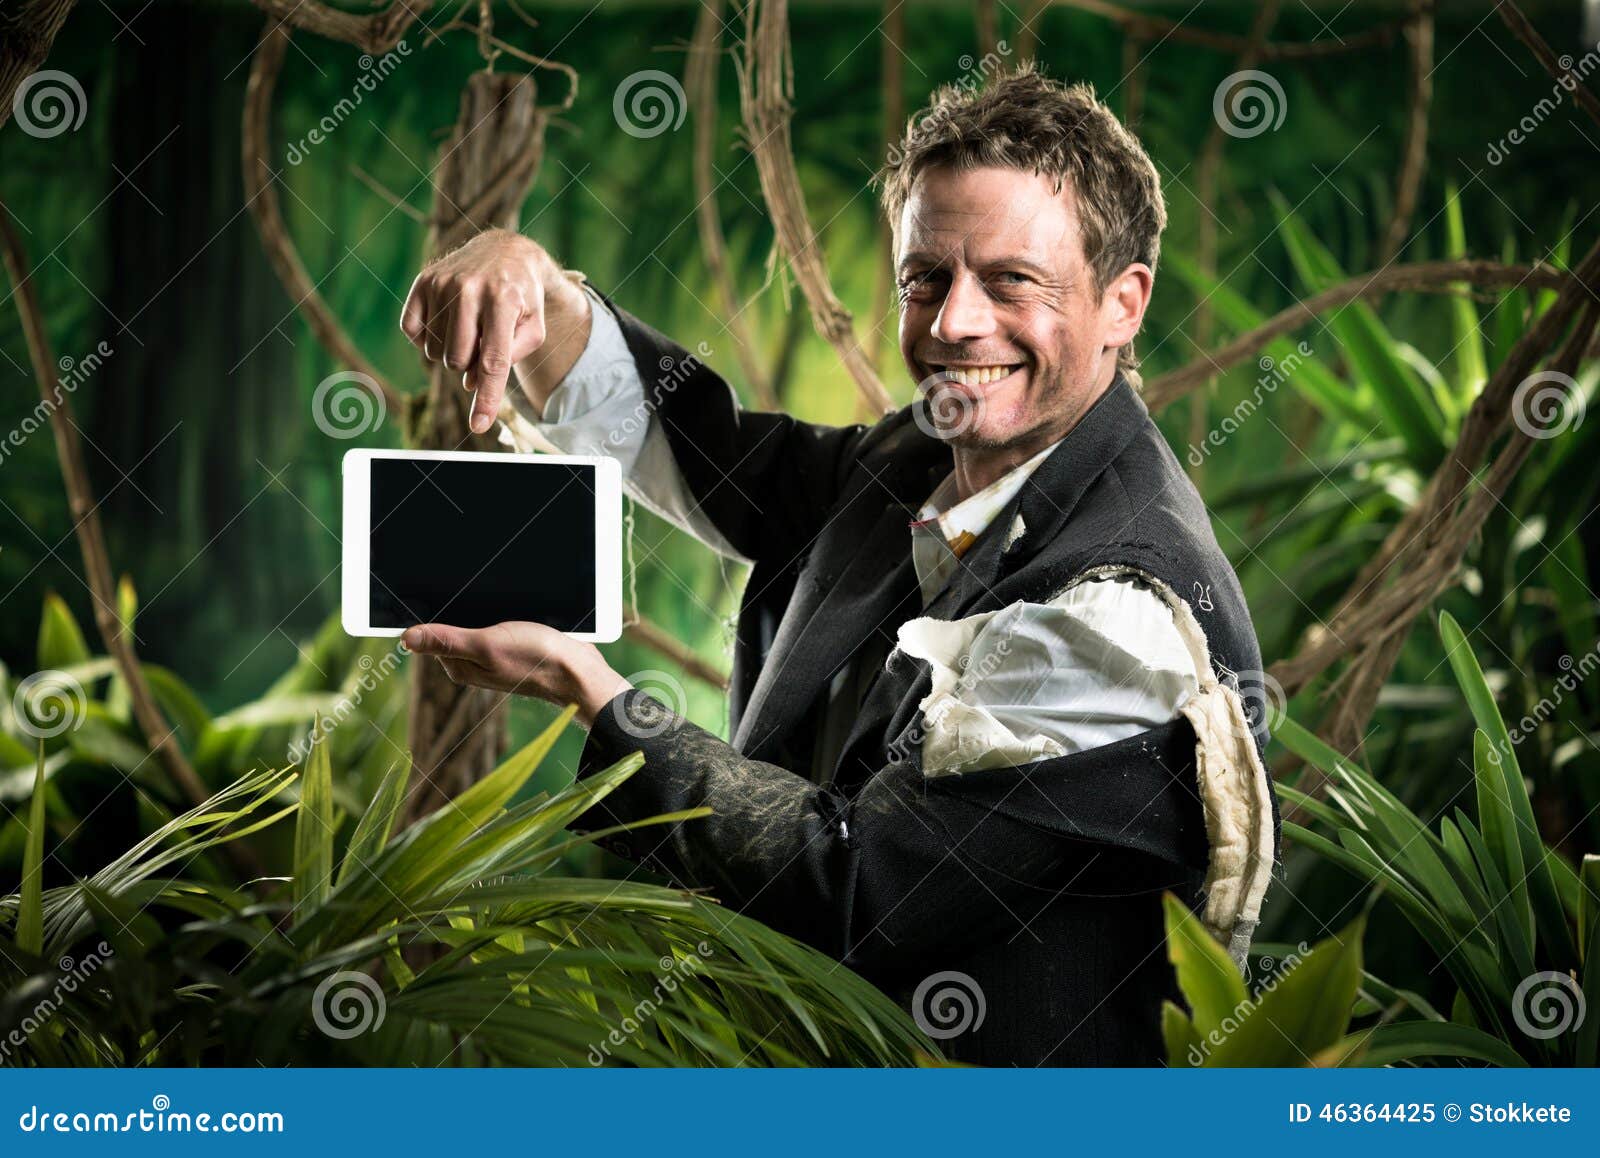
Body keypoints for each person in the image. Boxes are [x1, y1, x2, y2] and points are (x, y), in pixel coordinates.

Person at [398, 65, 1280, 1066]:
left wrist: (590, 692)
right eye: (925, 278)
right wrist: (538, 292)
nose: (953, 323)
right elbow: (718, 460)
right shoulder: (919, 455)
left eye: (1011, 281)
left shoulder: (1115, 607)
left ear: (1124, 303)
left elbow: (859, 888)